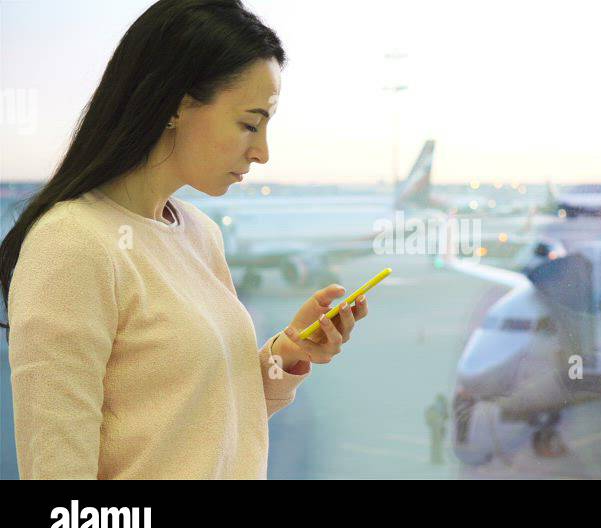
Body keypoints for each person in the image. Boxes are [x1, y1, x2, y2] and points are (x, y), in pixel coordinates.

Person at [0, 0, 369, 479]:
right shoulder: (72, 245)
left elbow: (212, 415)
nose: (262, 152)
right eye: (249, 123)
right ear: (177, 104)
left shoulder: (197, 233)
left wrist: (286, 355)